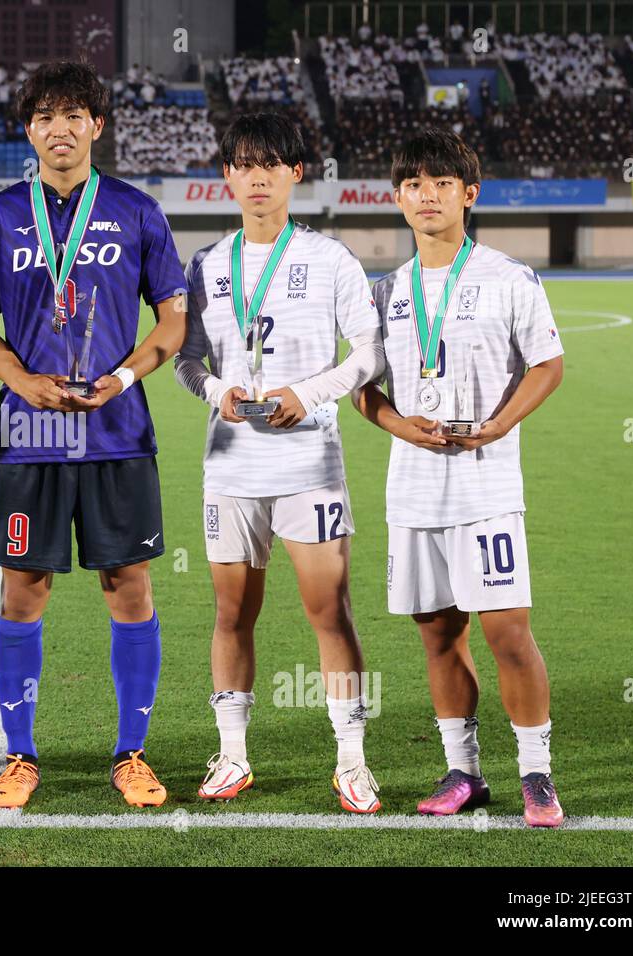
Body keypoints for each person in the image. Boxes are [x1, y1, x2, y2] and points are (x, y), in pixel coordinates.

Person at [0, 60, 187, 809]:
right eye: (43, 118)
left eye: (73, 116)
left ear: (97, 124)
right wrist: (22, 382)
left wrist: (121, 378)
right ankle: (21, 755)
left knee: (129, 586)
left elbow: (175, 319)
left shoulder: (135, 210)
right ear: (27, 130)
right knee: (24, 589)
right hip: (29, 432)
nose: (58, 130)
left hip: (118, 432)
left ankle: (132, 753)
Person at [353, 127, 566, 827]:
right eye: (414, 184)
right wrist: (399, 426)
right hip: (413, 488)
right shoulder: (383, 293)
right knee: (438, 633)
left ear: (469, 195)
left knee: (507, 632)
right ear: (398, 198)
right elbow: (363, 388)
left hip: (487, 486)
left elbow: (547, 365)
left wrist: (502, 425)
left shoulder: (509, 278)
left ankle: (536, 774)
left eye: (443, 183)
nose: (428, 195)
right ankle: (463, 772)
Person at [176, 113, 386, 811]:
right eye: (243, 164)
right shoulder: (206, 264)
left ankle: (351, 759)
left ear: (296, 173)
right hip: (231, 465)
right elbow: (185, 360)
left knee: (330, 610)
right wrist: (217, 391)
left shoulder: (330, 260)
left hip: (309, 464)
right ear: (226, 177)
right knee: (232, 612)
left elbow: (367, 353)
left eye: (272, 164)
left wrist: (307, 393)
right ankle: (233, 755)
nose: (257, 177)